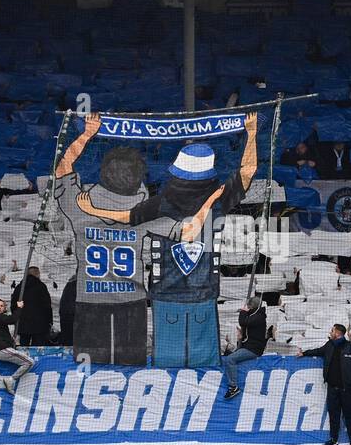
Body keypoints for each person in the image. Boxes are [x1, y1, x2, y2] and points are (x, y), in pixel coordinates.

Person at [78, 112, 259, 368]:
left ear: (176, 174)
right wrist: (251, 133)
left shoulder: (161, 203)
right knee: (205, 365)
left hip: (165, 293)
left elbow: (126, 216)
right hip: (203, 292)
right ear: (209, 176)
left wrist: (94, 210)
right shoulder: (218, 199)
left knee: (166, 363)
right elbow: (248, 171)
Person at [52, 112, 152, 365]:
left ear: (103, 174)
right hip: (132, 302)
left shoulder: (79, 207)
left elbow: (62, 169)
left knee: (89, 369)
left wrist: (87, 133)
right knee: (131, 370)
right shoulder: (144, 212)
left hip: (91, 299)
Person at [298, 323, 351, 445]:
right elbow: (318, 351)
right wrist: (304, 353)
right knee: (333, 415)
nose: (330, 332)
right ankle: (334, 440)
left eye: (332, 330)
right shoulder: (329, 345)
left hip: (347, 388)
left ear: (338, 333)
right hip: (332, 388)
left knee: (349, 414)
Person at [221, 295, 268, 401]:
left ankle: (233, 386)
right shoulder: (254, 316)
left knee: (230, 359)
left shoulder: (259, 316)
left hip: (253, 349)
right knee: (228, 354)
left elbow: (243, 322)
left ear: (251, 307)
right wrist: (240, 337)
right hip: (248, 346)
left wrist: (243, 311)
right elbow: (246, 329)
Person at [0, 298, 34, 394]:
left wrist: (11, 341)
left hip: (1, 350)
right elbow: (12, 319)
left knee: (26, 359)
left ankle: (11, 380)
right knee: (30, 362)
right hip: (2, 350)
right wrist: (19, 308)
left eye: (1, 306)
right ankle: (11, 379)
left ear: (4, 308)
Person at [12, 266, 53, 347]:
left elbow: (13, 305)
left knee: (24, 346)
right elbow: (47, 305)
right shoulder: (41, 286)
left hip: (23, 323)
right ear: (37, 274)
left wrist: (17, 318)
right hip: (40, 324)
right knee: (38, 347)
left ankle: (24, 359)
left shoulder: (19, 287)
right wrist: (49, 321)